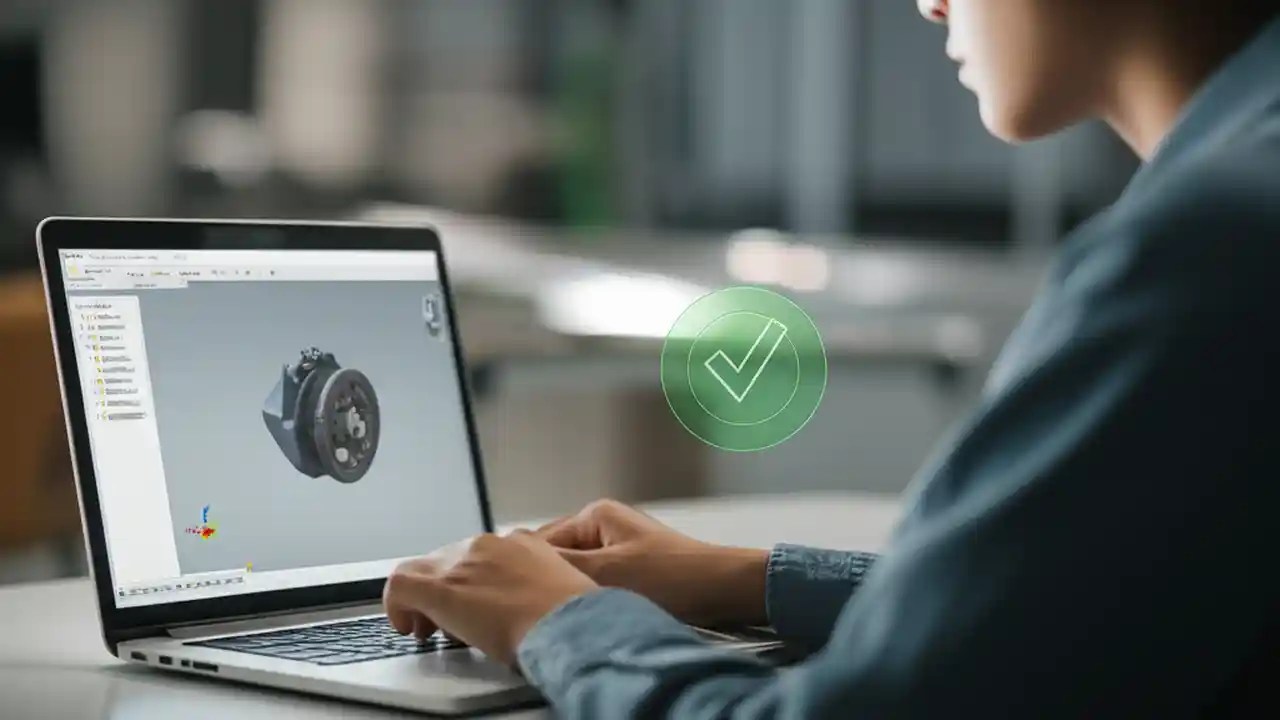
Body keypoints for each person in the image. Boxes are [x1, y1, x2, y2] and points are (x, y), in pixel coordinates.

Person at [384, 1, 1280, 716]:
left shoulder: (1206, 251)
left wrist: (559, 622)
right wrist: (747, 580)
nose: (927, 5)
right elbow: (1096, 605)